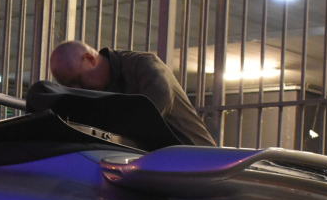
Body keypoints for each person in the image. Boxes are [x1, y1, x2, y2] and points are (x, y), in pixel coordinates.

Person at [47, 40, 217, 147]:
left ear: (90, 59)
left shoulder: (144, 65)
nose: (78, 89)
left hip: (198, 160)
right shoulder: (99, 88)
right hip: (164, 163)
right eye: (69, 86)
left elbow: (152, 110)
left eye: (78, 81)